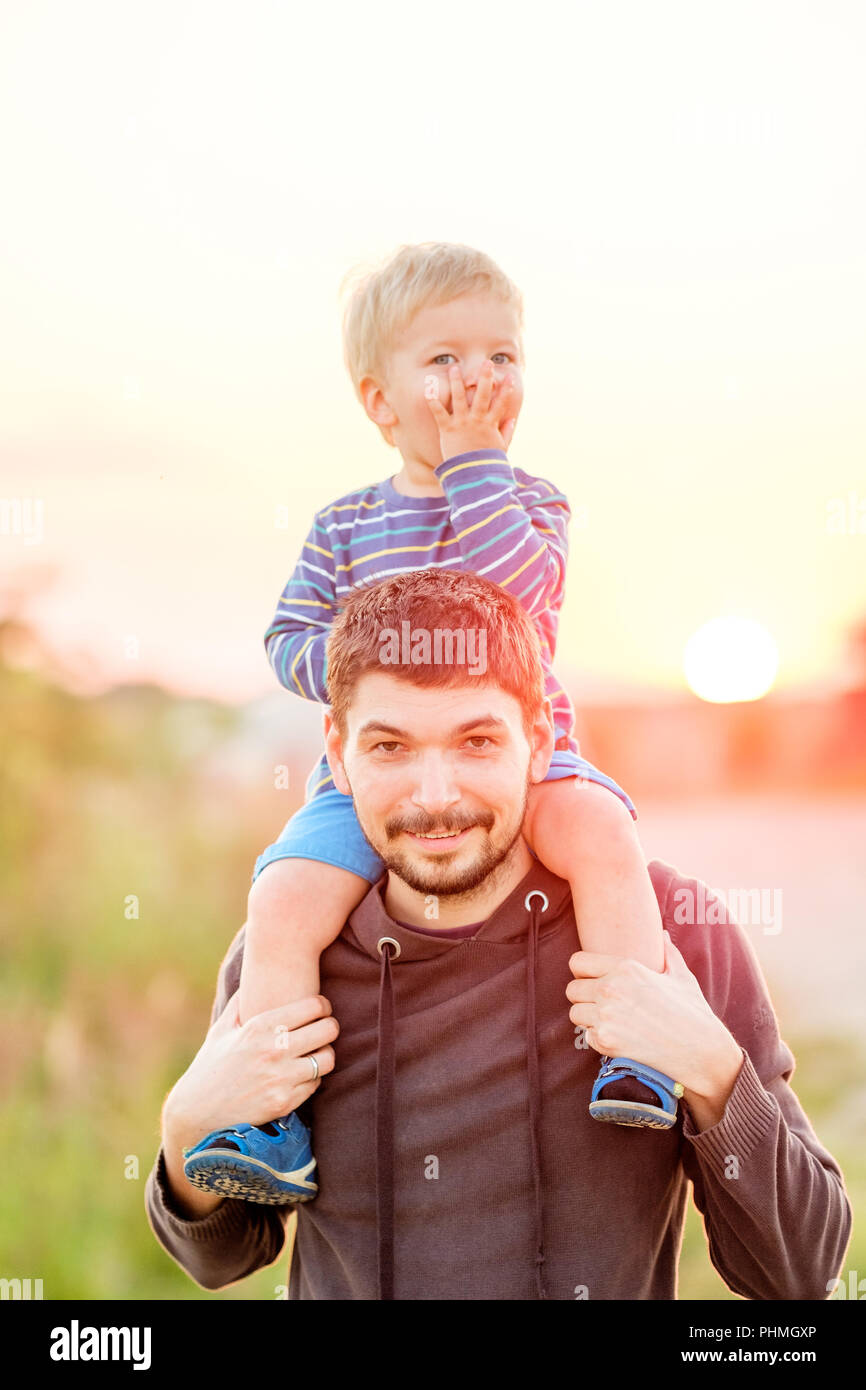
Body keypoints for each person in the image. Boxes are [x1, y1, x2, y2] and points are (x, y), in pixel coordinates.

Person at [146, 568, 852, 1300]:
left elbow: (799, 1273)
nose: (435, 796)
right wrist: (182, 1128)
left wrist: (712, 1071)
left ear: (540, 740)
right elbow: (223, 1258)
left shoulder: (665, 930)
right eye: (390, 747)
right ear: (337, 754)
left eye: (476, 741)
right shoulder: (289, 954)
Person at [183, 241, 673, 1207]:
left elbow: (520, 602)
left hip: (532, 763)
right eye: (444, 360)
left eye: (502, 356)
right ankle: (272, 1118)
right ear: (379, 401)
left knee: (607, 838)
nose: (477, 378)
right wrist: (350, 666)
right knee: (283, 899)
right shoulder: (343, 526)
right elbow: (287, 636)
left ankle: (636, 1050)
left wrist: (476, 467)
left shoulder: (531, 502)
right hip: (366, 780)